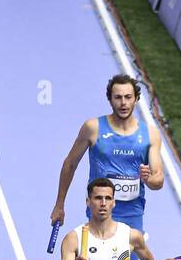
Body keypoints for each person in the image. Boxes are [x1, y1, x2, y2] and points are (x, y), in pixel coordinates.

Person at [49, 74, 164, 234]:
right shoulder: (93, 128)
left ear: (136, 99)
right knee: (98, 259)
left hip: (133, 215)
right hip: (99, 212)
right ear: (110, 100)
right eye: (118, 97)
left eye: (128, 97)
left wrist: (148, 179)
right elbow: (70, 164)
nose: (123, 103)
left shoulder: (150, 134)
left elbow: (158, 180)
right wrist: (59, 204)